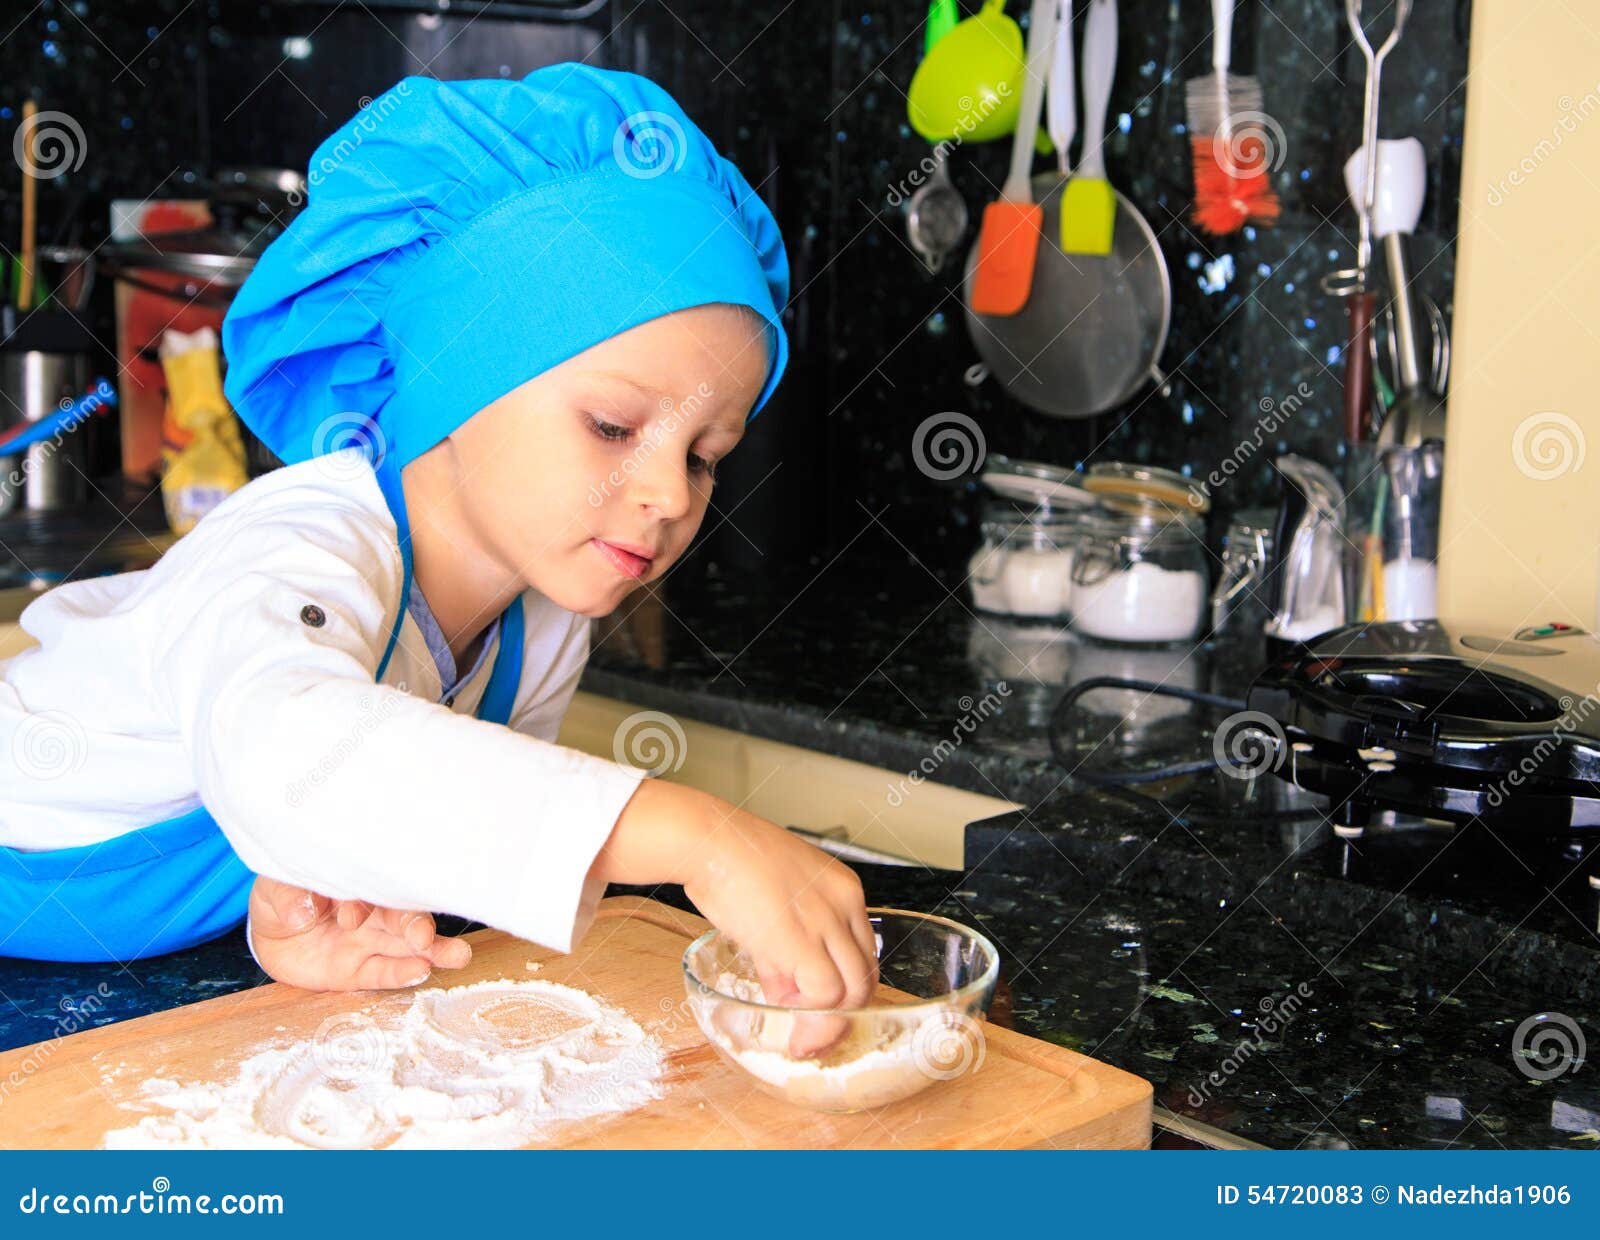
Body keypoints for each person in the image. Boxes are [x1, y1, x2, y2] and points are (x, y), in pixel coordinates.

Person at [0, 65, 876, 1046]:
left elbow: (384, 804)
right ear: (449, 382)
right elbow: (283, 748)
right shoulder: (302, 544)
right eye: (613, 424)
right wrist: (694, 835)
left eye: (705, 455)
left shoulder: (539, 625)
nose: (671, 494)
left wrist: (314, 903)